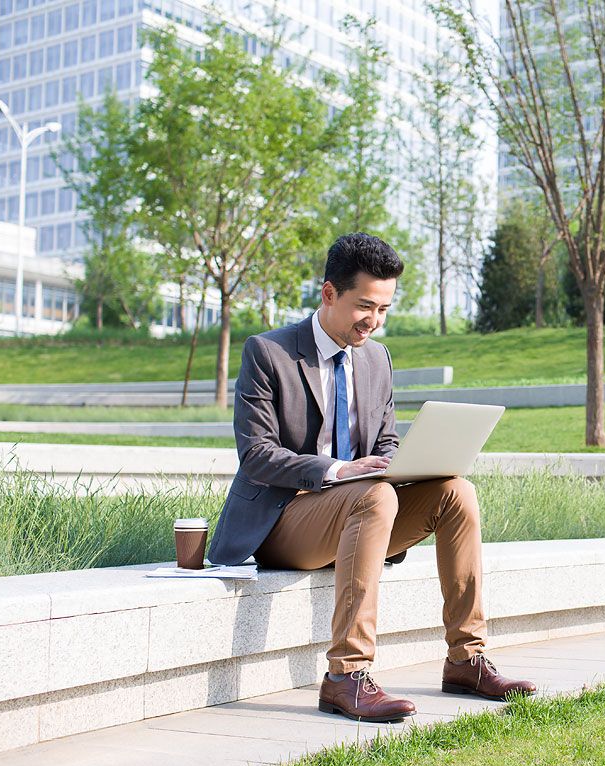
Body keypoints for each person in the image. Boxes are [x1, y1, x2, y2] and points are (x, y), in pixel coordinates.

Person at [206, 232, 535, 722]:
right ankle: (346, 675)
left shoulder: (376, 358)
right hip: (283, 521)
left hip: (361, 513)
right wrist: (341, 470)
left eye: (383, 309)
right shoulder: (268, 352)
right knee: (375, 498)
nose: (374, 321)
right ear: (329, 293)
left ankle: (466, 660)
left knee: (457, 493)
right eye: (365, 306)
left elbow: (384, 443)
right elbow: (257, 455)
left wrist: (402, 464)